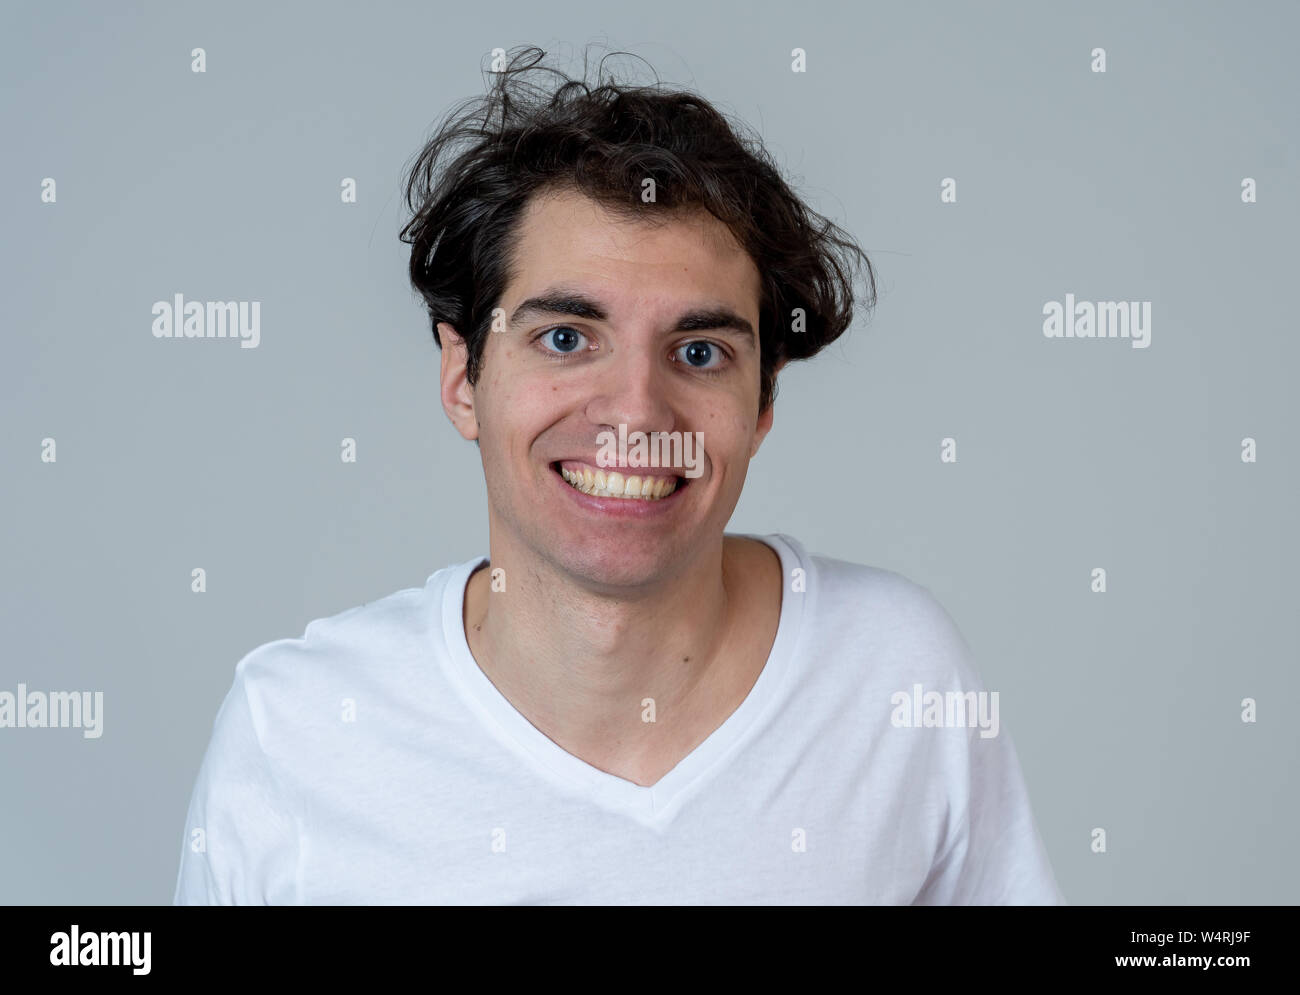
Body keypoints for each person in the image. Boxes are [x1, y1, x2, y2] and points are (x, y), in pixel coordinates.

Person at [173, 45, 1063, 905]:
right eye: (565, 338)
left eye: (701, 350)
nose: (636, 413)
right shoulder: (298, 731)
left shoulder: (896, 675)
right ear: (463, 378)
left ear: (760, 406)